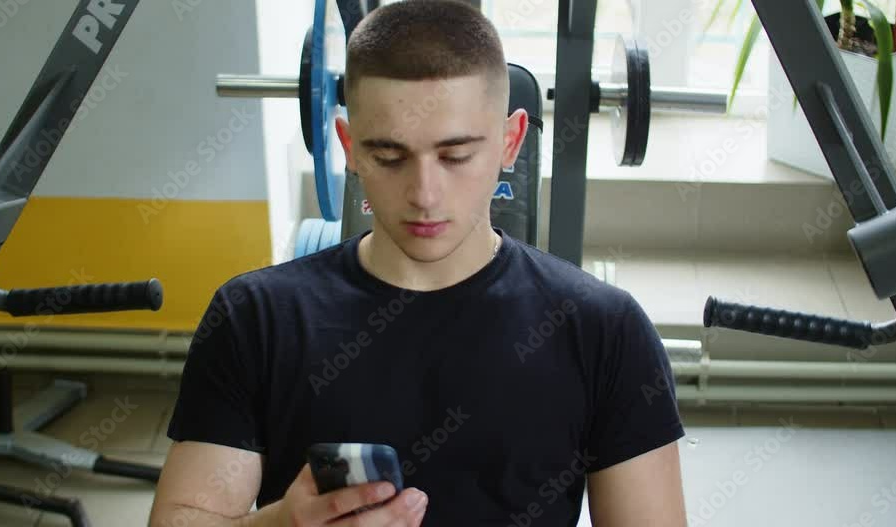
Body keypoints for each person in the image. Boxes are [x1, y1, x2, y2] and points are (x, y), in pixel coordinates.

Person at [149, 1, 687, 525]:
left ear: (510, 141)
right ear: (350, 148)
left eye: (455, 156)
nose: (425, 194)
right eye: (389, 157)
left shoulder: (604, 330)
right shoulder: (255, 317)